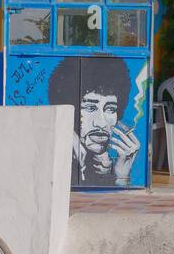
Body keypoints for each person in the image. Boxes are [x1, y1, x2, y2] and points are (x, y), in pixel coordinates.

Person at [48, 56, 141, 186]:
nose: (101, 123)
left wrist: (121, 176)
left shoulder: (107, 165)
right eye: (90, 108)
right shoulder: (55, 156)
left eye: (110, 109)